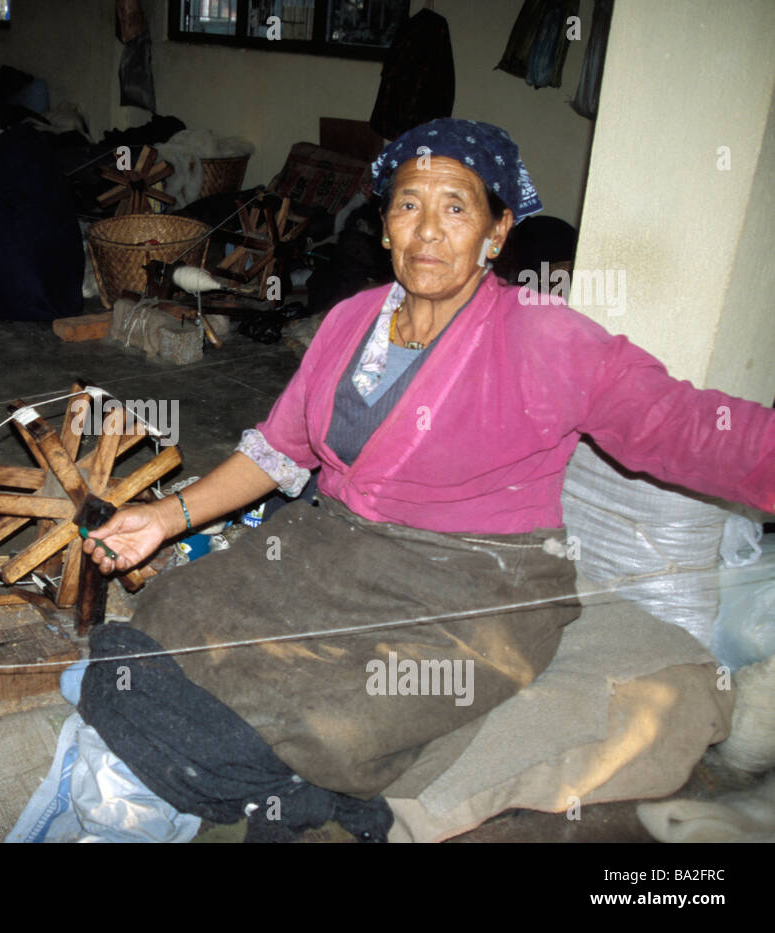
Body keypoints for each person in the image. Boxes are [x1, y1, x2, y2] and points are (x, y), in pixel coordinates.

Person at [75, 118, 775, 842]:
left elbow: (688, 427)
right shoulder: (349, 321)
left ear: (497, 232)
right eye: (408, 204)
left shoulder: (544, 336)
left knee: (338, 715)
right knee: (177, 609)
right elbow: (280, 448)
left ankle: (280, 784)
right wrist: (164, 515)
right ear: (384, 226)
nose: (429, 230)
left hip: (478, 585)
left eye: (457, 207)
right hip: (337, 546)